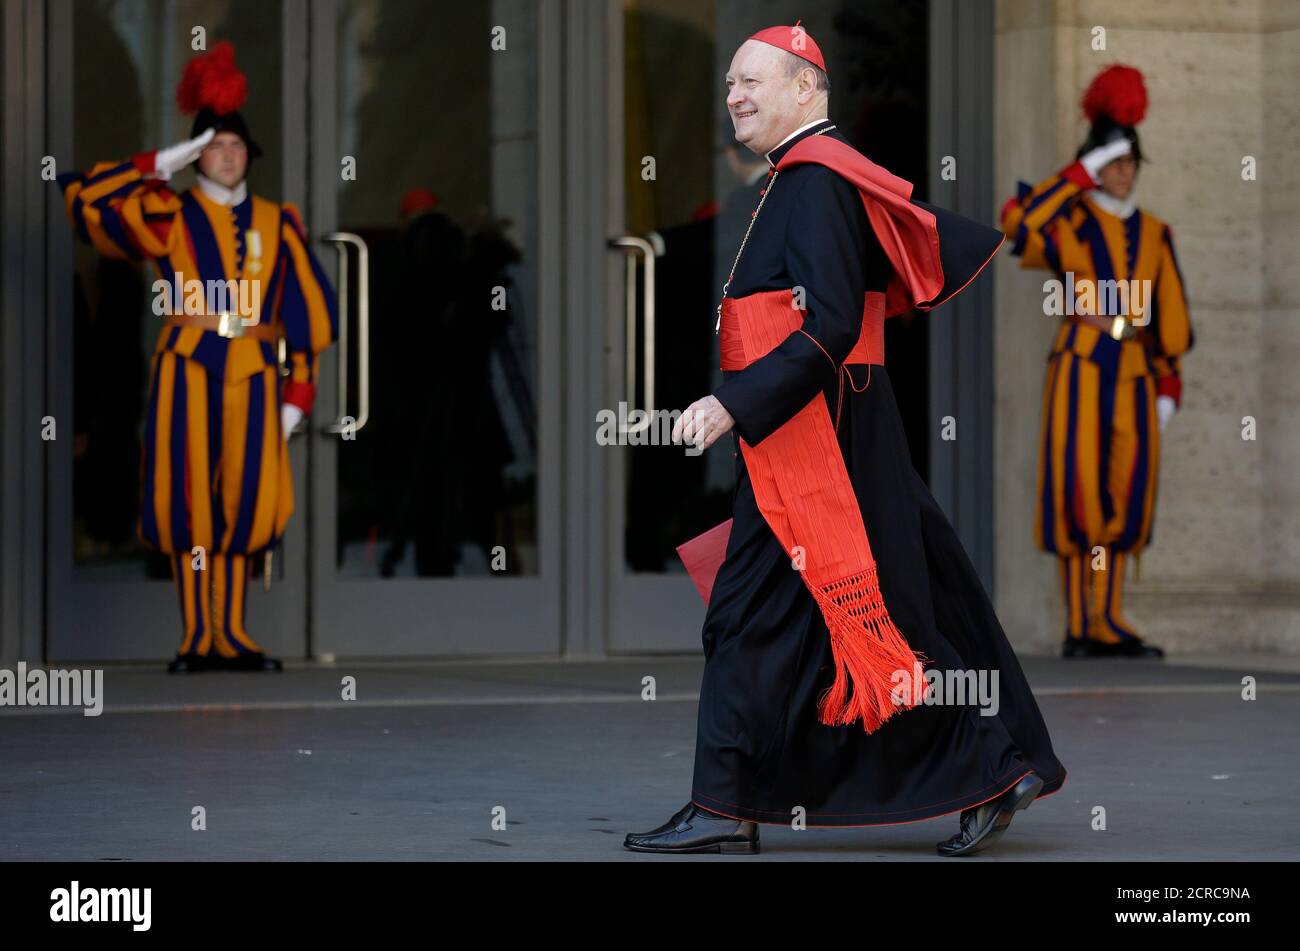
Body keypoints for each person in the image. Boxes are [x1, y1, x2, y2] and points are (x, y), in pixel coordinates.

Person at [624, 22, 1066, 857]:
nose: (735, 97)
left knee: (818, 609)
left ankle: (985, 766)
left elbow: (825, 327)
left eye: (753, 81)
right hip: (813, 425)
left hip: (819, 430)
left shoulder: (817, 179)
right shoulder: (796, 176)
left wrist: (734, 403)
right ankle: (738, 800)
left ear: (806, 88)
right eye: (728, 85)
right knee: (824, 605)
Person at [57, 42, 338, 672]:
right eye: (214, 146)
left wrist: (300, 392)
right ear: (196, 156)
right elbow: (87, 201)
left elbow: (306, 315)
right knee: (190, 504)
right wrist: (158, 163)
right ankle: (196, 638)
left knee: (248, 506)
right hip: (189, 367)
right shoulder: (167, 211)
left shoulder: (278, 220)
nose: (229, 156)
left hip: (259, 376)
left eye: (236, 147)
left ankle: (231, 635)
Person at [1000, 64, 1192, 658]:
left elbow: (1168, 320)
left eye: (1130, 162)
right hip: (1082, 362)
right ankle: (1081, 624)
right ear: (1093, 165)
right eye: (1111, 162)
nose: (1123, 172)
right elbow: (1017, 220)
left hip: (1135, 370)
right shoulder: (1070, 218)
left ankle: (1107, 618)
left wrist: (1168, 386)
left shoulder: (1157, 232)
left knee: (1126, 492)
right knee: (1079, 491)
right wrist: (1076, 177)